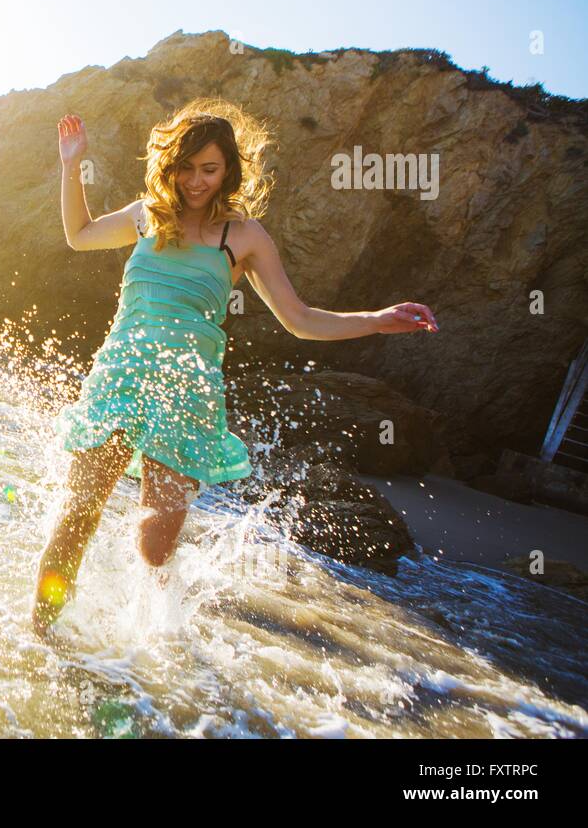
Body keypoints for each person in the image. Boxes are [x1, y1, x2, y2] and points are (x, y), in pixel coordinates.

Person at [33, 98, 439, 636]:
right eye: (186, 168)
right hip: (120, 375)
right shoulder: (145, 214)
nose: (196, 182)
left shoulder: (244, 237)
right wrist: (71, 164)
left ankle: (150, 652)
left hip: (186, 391)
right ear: (168, 165)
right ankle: (39, 634)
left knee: (155, 545)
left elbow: (299, 318)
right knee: (77, 516)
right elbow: (79, 234)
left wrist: (377, 319)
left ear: (228, 170)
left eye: (209, 169)